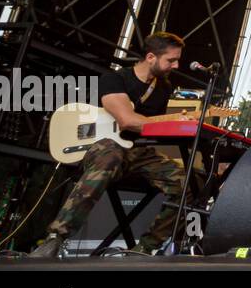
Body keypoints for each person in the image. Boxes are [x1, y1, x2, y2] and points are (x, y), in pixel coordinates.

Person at [32, 32, 189, 257]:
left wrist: (180, 124)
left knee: (188, 183)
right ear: (151, 57)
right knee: (110, 157)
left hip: (138, 151)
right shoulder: (116, 78)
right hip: (105, 146)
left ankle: (146, 247)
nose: (176, 65)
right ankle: (56, 237)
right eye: (171, 60)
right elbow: (126, 120)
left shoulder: (164, 88)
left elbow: (151, 128)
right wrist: (169, 121)